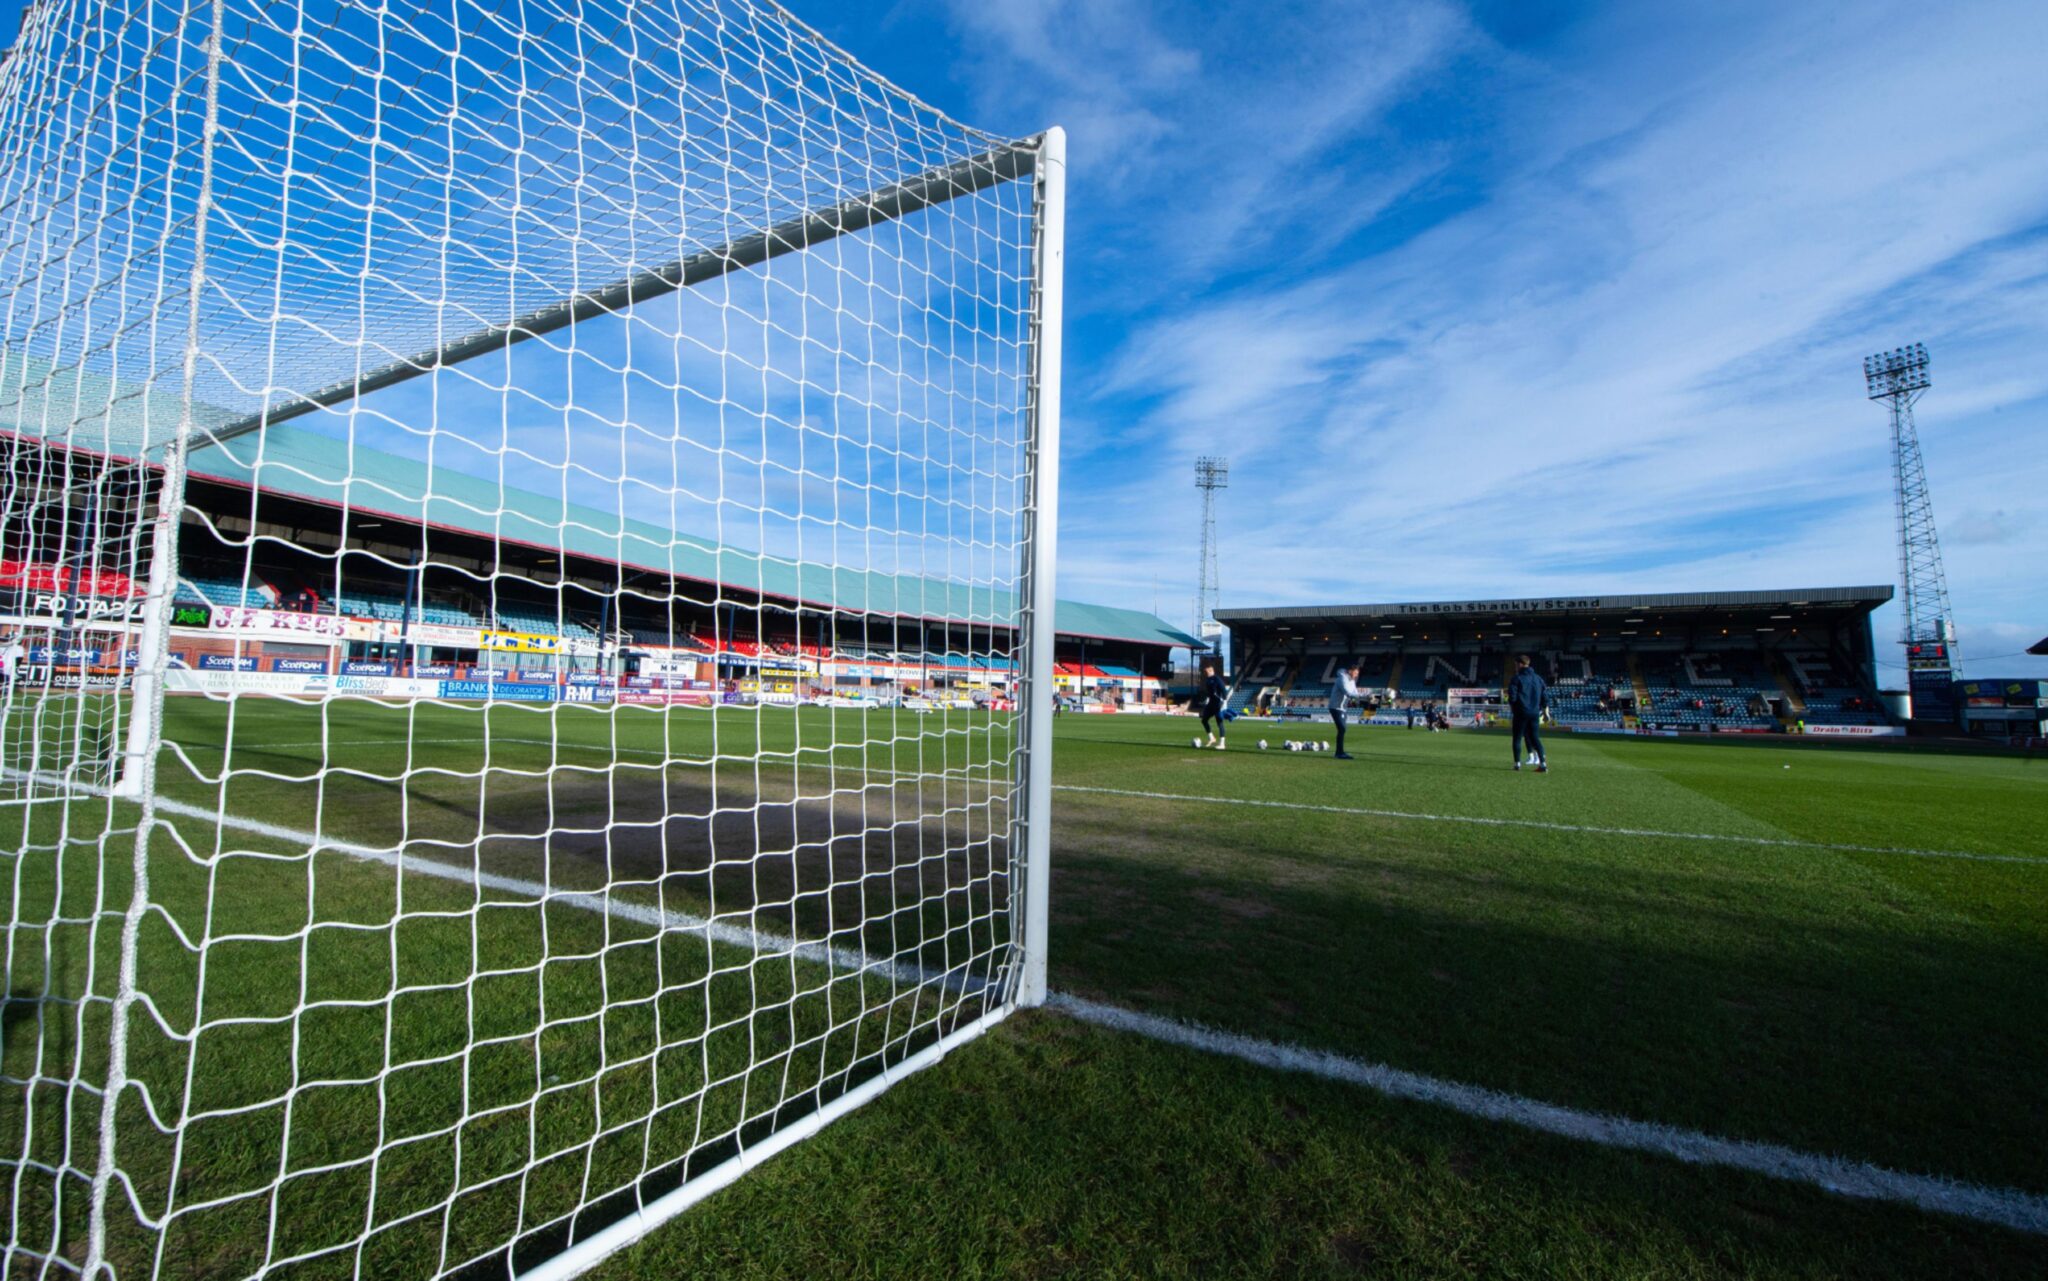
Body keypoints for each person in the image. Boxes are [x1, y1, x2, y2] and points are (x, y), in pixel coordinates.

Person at [1508, 653, 1548, 772]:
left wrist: (1513, 708)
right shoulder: (1538, 678)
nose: (1515, 667)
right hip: (1535, 712)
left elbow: (1512, 697)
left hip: (1521, 712)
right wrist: (1545, 711)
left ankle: (1517, 764)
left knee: (1517, 738)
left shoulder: (1516, 678)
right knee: (1535, 737)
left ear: (1520, 664)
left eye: (1516, 665)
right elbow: (1545, 697)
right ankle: (1543, 764)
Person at [1328, 662, 1362, 759]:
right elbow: (1348, 692)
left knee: (1342, 730)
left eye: (1358, 673)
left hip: (1343, 708)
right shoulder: (1342, 678)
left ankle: (1340, 752)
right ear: (1350, 671)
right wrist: (1365, 696)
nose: (1357, 674)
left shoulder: (1352, 681)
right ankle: (1339, 753)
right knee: (1342, 729)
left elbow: (1355, 693)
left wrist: (1362, 698)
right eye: (1356, 672)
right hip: (1335, 707)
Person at [1197, 660, 1229, 749]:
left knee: (1219, 722)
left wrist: (1225, 702)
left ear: (1211, 670)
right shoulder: (1208, 680)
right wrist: (1206, 700)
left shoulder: (1217, 679)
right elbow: (1210, 692)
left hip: (1218, 704)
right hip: (1211, 703)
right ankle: (1212, 738)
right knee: (1204, 720)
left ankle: (1222, 744)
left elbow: (1223, 690)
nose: (1205, 672)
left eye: (1206, 671)